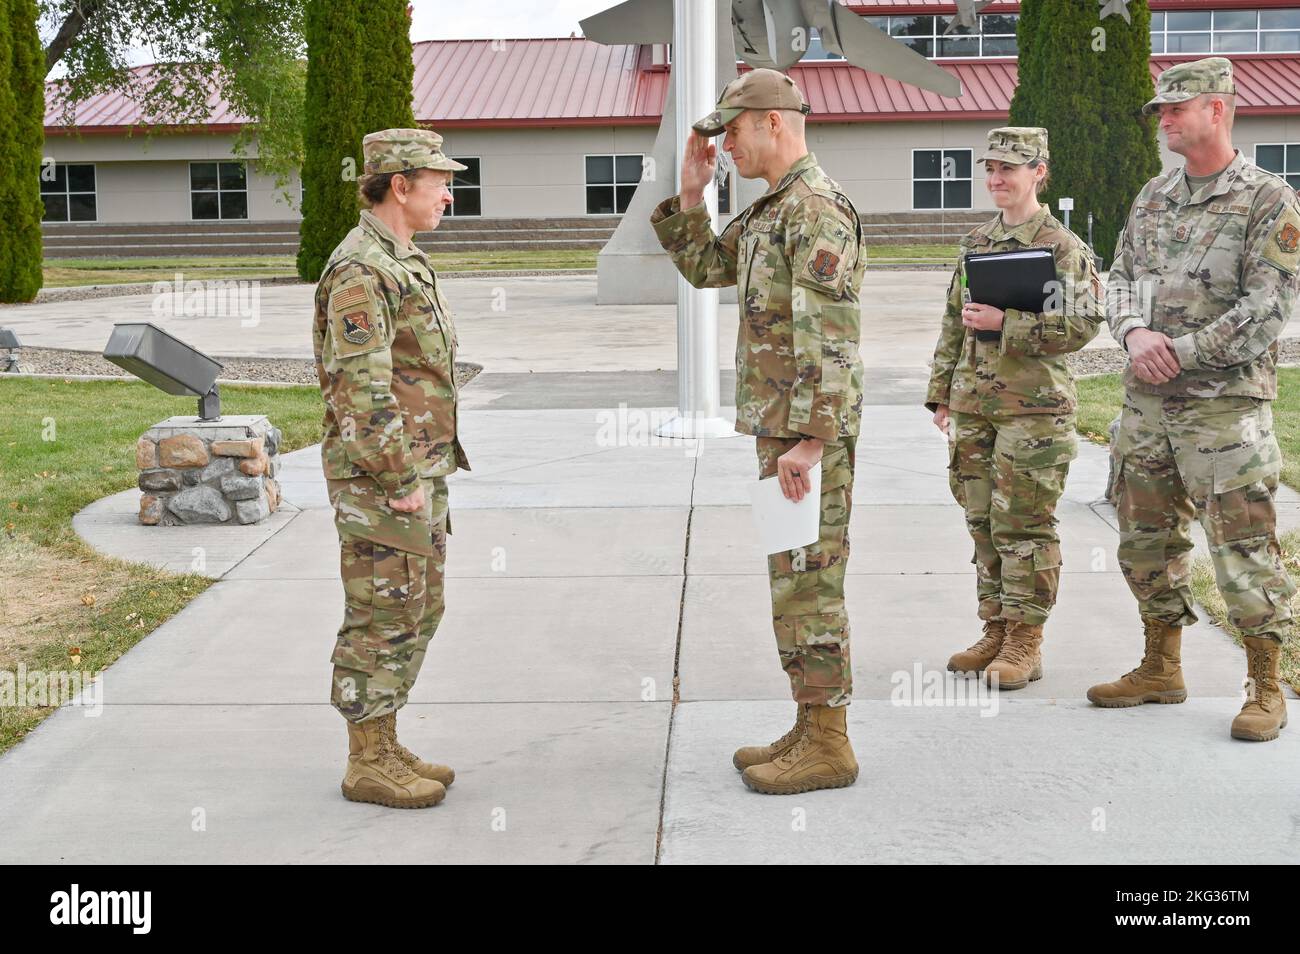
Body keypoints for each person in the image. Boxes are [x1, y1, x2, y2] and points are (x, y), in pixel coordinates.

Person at [650, 69, 865, 794]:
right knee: (792, 580)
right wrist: (690, 193)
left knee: (812, 583)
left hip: (807, 437)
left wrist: (812, 440)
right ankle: (810, 723)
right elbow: (710, 266)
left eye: (732, 131)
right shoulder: (773, 208)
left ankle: (830, 743)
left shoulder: (816, 210)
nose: (727, 146)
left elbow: (832, 337)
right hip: (784, 431)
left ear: (774, 122)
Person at [1089, 57, 1298, 742]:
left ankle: (1266, 683)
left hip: (1223, 413)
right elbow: (1116, 276)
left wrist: (1179, 352)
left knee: (1243, 551)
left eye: (1176, 109)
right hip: (1147, 410)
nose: (1165, 121)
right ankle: (1161, 666)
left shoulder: (1268, 199)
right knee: (1145, 545)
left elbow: (1269, 308)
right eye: (1161, 111)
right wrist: (1132, 329)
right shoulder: (1153, 196)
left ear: (1218, 108)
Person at [312, 127, 471, 807]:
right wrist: (399, 480)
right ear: (399, 185)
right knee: (384, 610)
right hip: (383, 480)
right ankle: (366, 759)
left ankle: (385, 738)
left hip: (417, 471)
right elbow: (361, 389)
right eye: (440, 181)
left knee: (417, 607)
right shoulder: (361, 270)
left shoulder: (401, 258)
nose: (450, 194)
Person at [926, 127, 1103, 689]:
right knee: (981, 518)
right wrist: (941, 394)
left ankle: (1027, 638)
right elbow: (955, 320)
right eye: (991, 169)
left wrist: (1011, 324)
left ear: (1039, 173)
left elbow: (1083, 323)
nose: (997, 179)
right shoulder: (976, 241)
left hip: (1034, 411)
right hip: (975, 405)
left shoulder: (1062, 246)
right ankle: (996, 626)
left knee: (1023, 522)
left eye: (1009, 169)